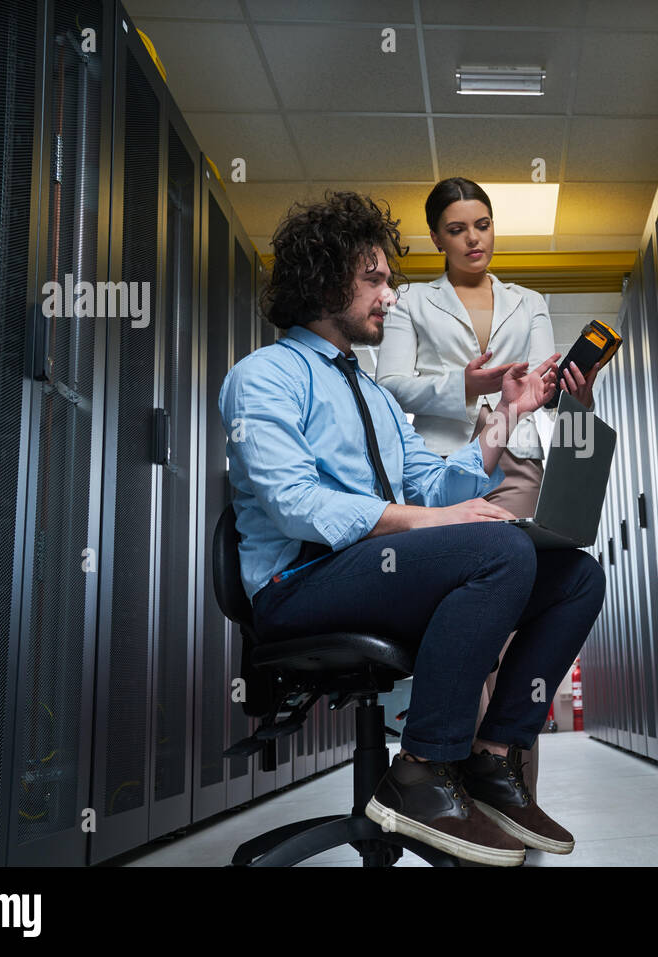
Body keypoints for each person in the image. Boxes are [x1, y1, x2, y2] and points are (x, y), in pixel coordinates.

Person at [219, 191, 606, 867]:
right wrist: (434, 521)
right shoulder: (263, 377)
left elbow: (433, 482)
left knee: (575, 576)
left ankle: (491, 756)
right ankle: (421, 771)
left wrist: (507, 417)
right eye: (374, 279)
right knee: (500, 547)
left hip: (374, 573)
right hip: (298, 584)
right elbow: (294, 502)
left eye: (388, 282)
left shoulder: (373, 395)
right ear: (327, 280)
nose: (388, 297)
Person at [375, 177, 601, 802]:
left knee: (512, 624)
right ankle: (453, 794)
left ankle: (509, 792)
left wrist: (572, 389)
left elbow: (542, 388)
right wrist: (467, 385)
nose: (473, 239)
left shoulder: (528, 300)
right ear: (436, 239)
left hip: (519, 462)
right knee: (472, 621)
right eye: (456, 229)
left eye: (482, 224)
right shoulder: (412, 304)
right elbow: (389, 385)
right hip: (446, 467)